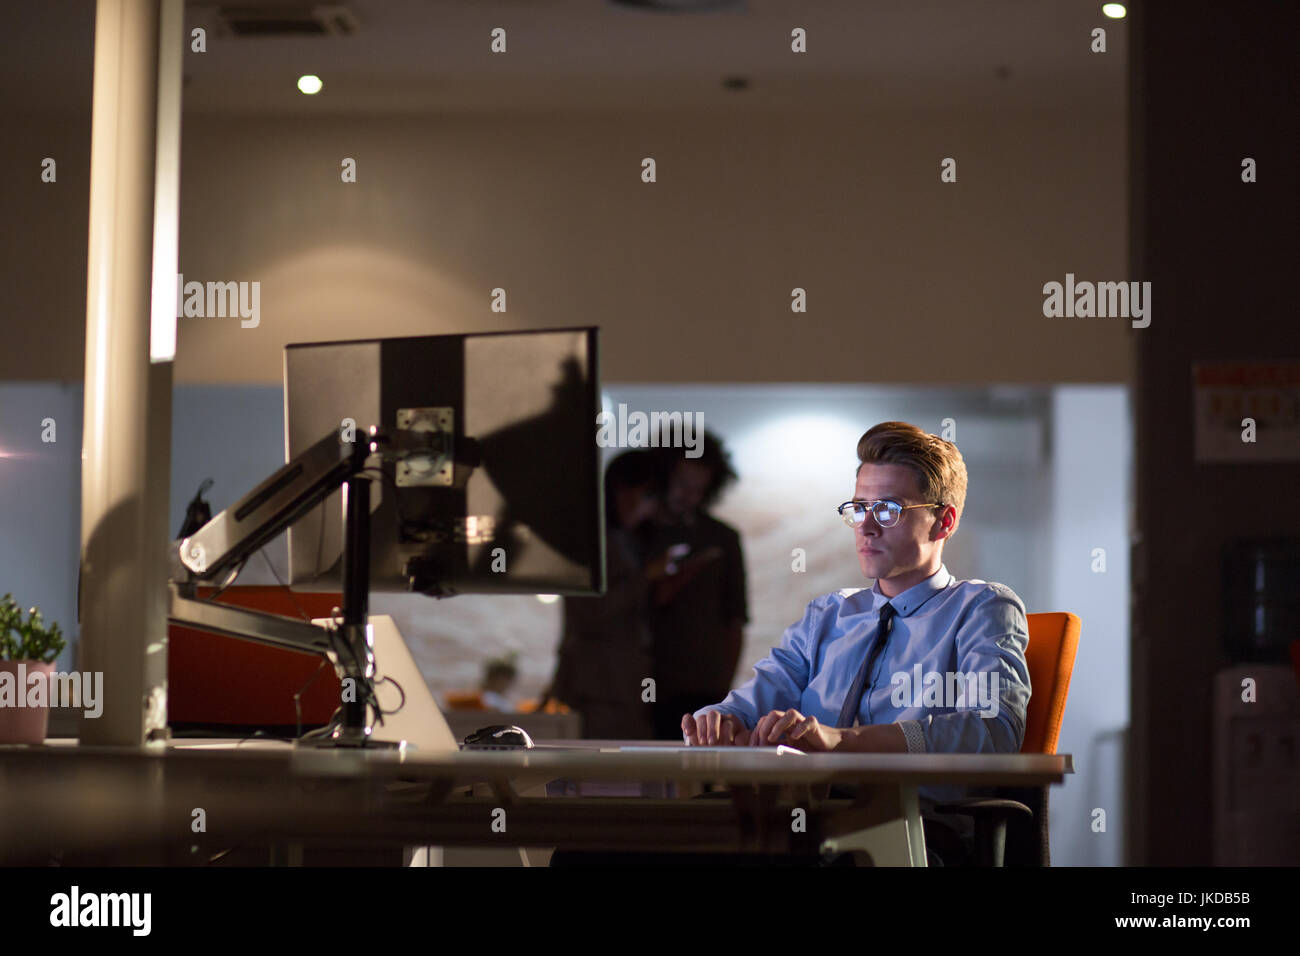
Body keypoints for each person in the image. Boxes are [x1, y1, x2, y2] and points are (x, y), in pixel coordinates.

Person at [682, 421, 1032, 867]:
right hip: (803, 818)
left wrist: (842, 741)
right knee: (611, 851)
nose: (865, 527)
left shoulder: (981, 608)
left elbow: (991, 731)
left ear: (943, 521)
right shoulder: (828, 615)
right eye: (859, 507)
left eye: (887, 509)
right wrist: (720, 720)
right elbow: (751, 703)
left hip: (914, 830)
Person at [544, 450, 672, 739]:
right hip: (597, 684)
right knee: (599, 772)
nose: (641, 505)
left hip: (625, 682)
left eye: (649, 495)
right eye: (635, 493)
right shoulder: (591, 541)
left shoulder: (631, 541)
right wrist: (646, 577)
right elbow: (591, 611)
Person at [643, 430, 749, 739]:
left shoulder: (723, 538)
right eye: (682, 484)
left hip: (704, 685)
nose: (688, 495)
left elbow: (735, 619)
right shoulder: (637, 533)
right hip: (644, 682)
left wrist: (723, 689)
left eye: (698, 488)